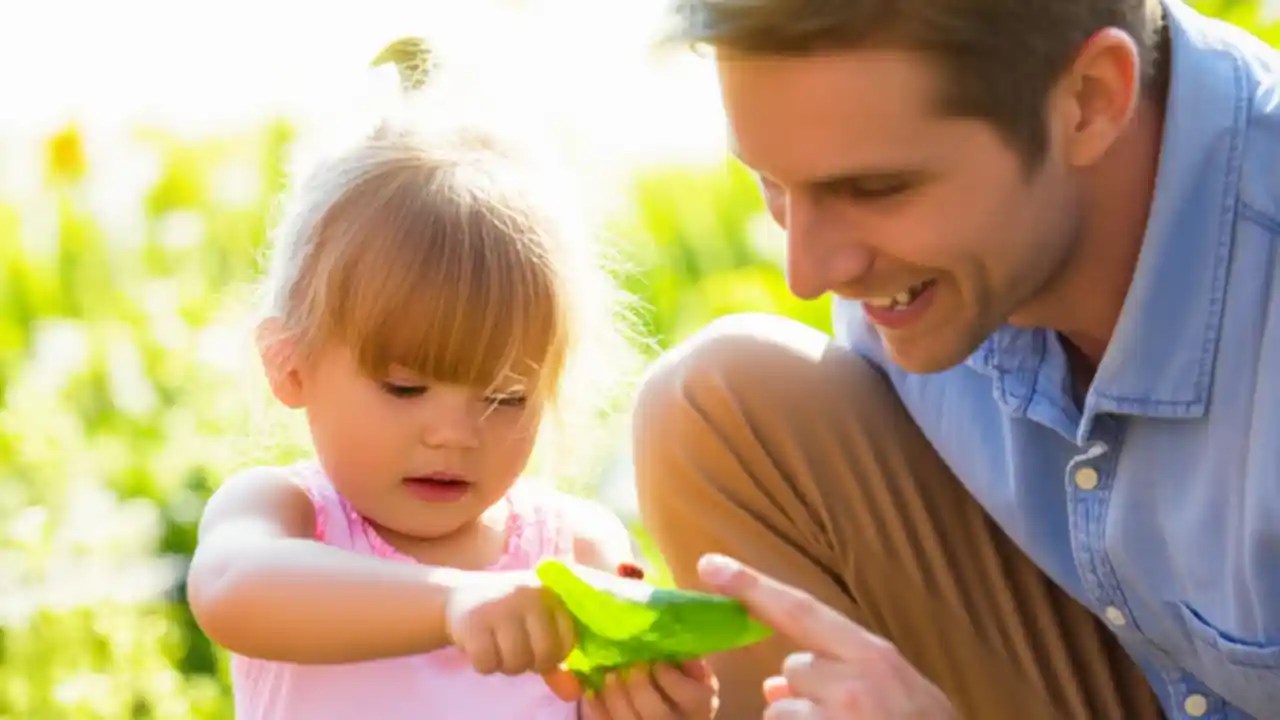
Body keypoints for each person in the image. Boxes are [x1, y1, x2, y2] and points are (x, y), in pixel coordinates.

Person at [634, 0, 1280, 717]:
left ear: (1090, 102)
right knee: (717, 408)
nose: (811, 272)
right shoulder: (918, 266)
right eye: (777, 186)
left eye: (874, 189)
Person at [185, 70, 718, 718]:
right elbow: (230, 587)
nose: (455, 434)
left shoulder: (579, 552)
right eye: (406, 387)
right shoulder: (289, 515)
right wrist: (453, 603)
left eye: (506, 397)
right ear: (290, 366)